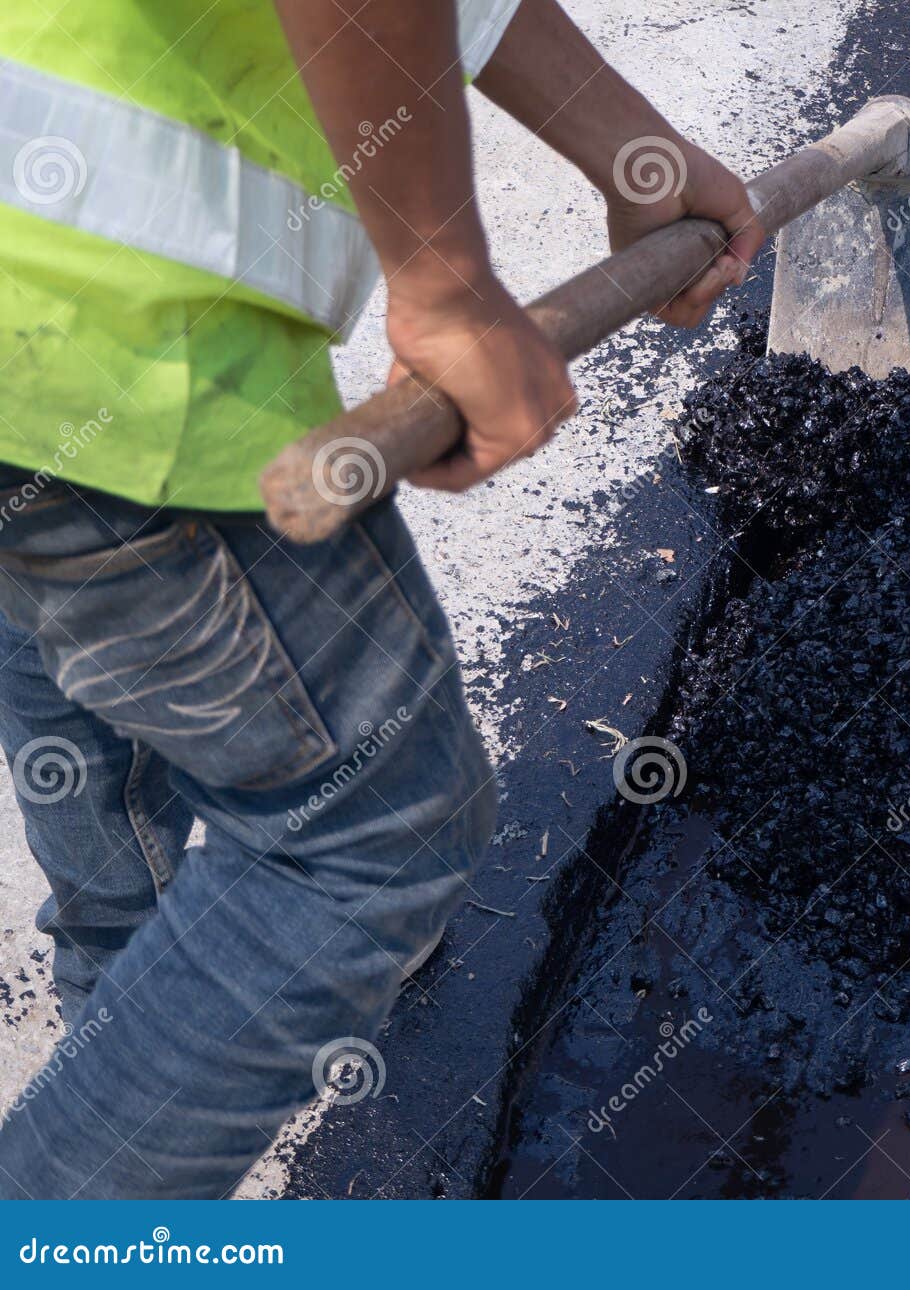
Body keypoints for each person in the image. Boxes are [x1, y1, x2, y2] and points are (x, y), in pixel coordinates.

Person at [0, 0, 763, 1198]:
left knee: (68, 643)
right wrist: (450, 288)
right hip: (100, 321)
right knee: (372, 836)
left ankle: (125, 979)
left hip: (32, 335)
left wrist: (632, 150)